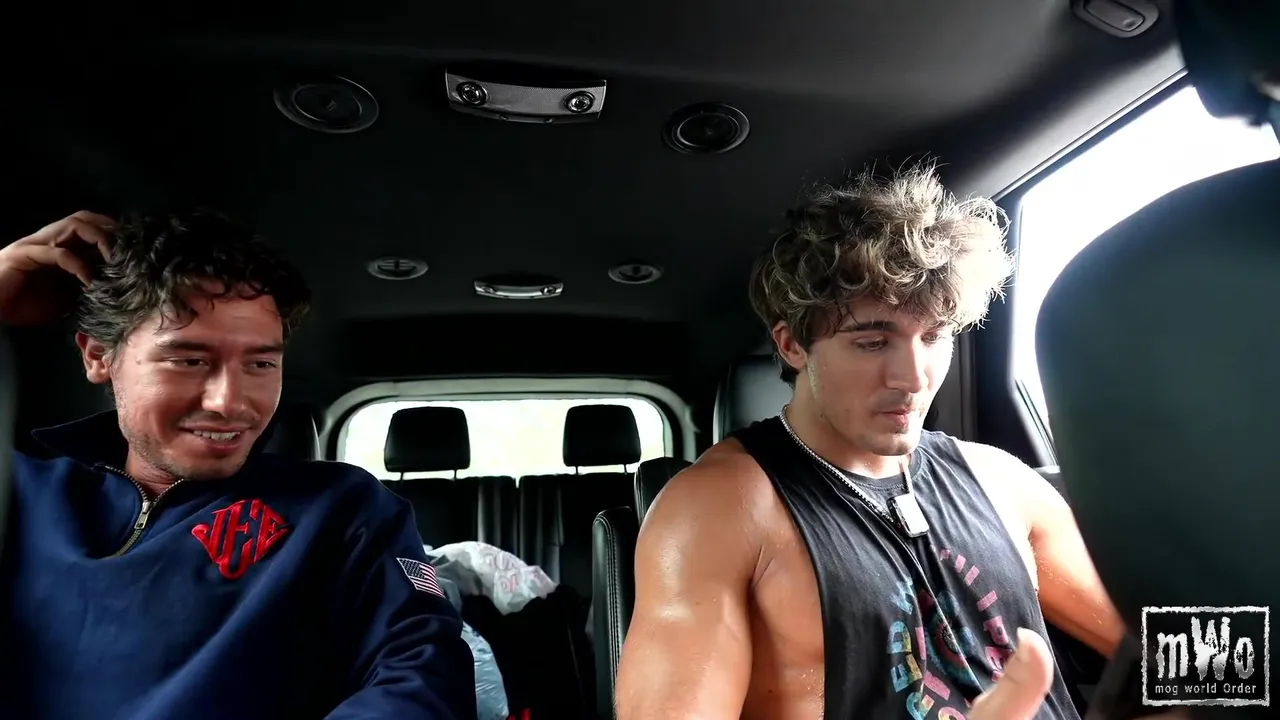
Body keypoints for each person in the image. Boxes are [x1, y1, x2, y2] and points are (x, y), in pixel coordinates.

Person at [616, 163, 1125, 719]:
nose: (913, 377)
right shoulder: (717, 508)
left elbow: (1165, 653)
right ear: (792, 346)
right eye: (873, 342)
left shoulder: (1001, 481)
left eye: (934, 337)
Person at [0, 210, 477, 719]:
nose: (229, 402)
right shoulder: (20, 492)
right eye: (189, 360)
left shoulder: (340, 509)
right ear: (99, 357)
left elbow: (424, 672)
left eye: (260, 363)